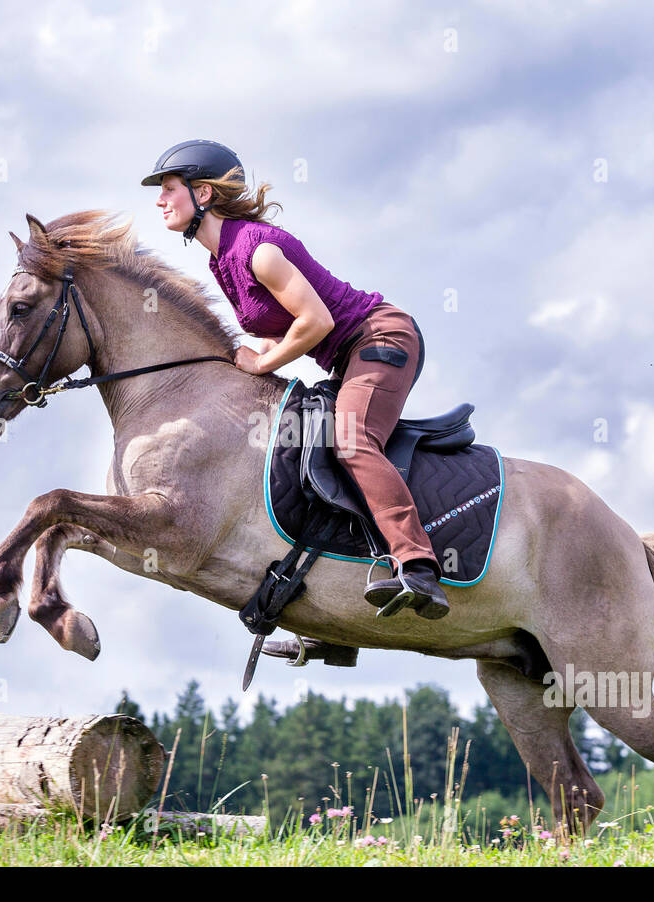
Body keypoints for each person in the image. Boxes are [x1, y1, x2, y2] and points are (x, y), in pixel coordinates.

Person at [141, 140, 448, 620]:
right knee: (305, 450)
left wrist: (261, 366)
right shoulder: (220, 260)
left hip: (382, 337)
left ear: (202, 194)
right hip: (347, 355)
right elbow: (277, 327)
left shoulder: (257, 250)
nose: (160, 199)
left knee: (351, 440)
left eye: (169, 188)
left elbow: (317, 322)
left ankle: (418, 566)